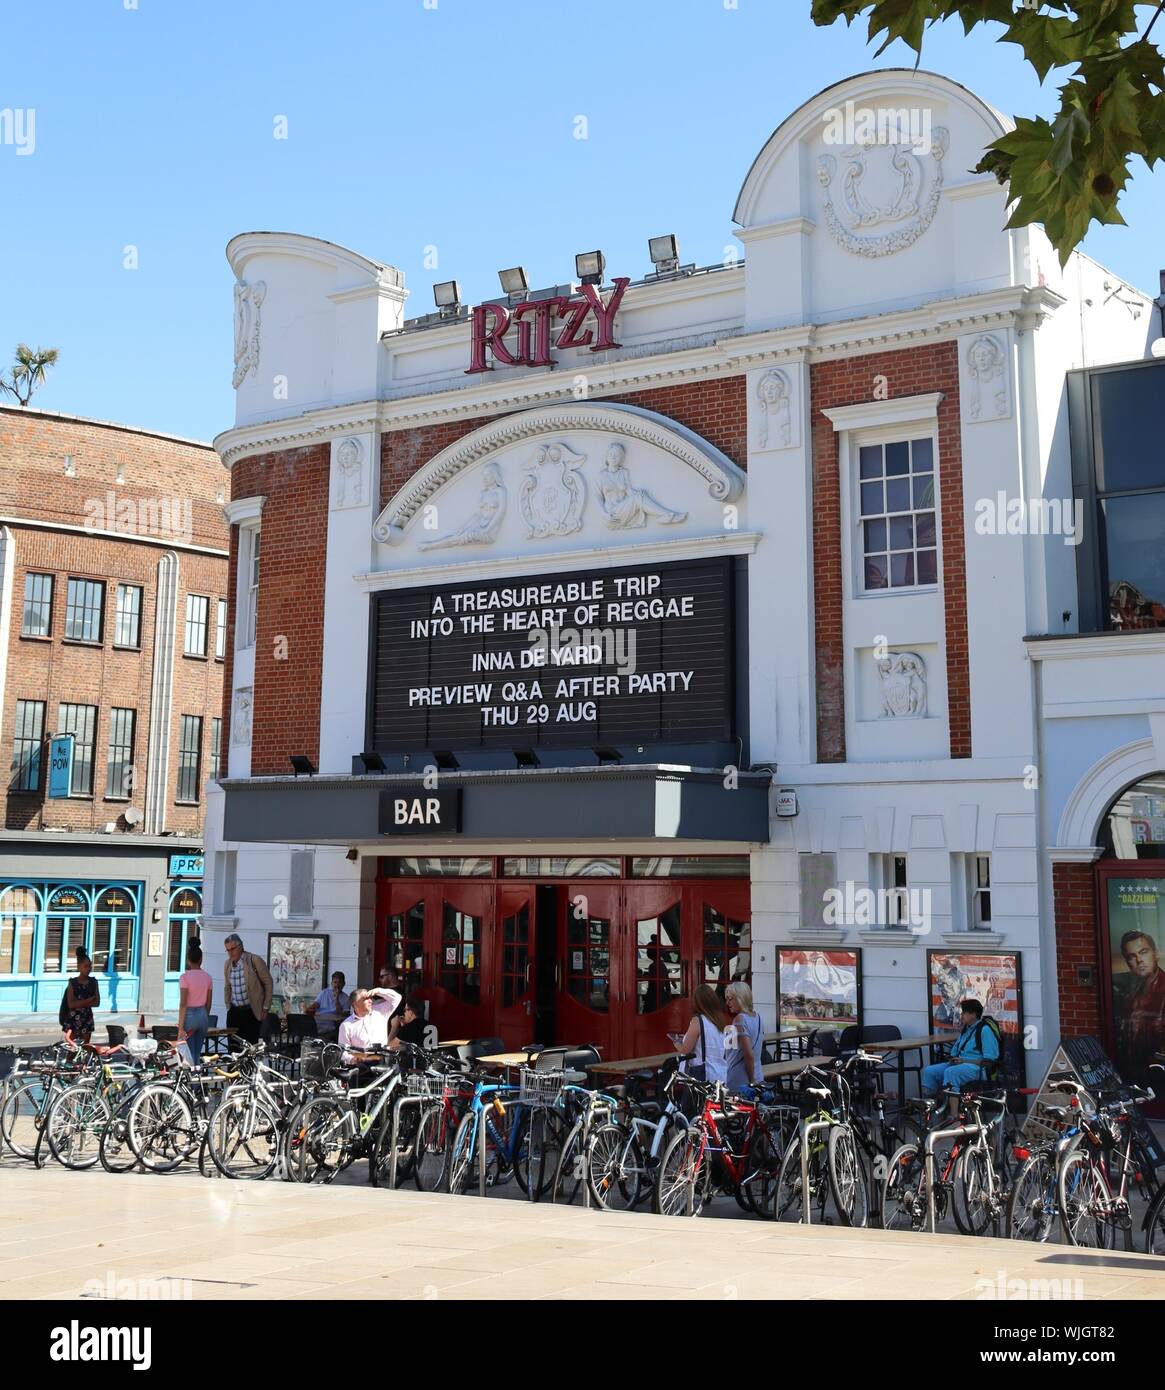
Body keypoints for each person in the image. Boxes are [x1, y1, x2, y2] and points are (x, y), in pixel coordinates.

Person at [921, 998, 999, 1122]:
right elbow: (956, 1050)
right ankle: (930, 1109)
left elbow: (989, 1061)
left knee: (951, 1073)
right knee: (929, 1071)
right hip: (960, 1064)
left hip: (978, 1068)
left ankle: (954, 1115)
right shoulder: (966, 1029)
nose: (961, 1015)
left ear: (973, 1014)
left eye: (964, 1013)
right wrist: (953, 1058)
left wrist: (964, 1061)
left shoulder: (985, 1030)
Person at [1116, 931, 1165, 1084]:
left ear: (1155, 954)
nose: (1139, 960)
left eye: (1143, 952)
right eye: (1131, 956)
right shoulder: (1130, 992)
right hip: (1132, 1076)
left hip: (1158, 1077)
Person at [221, 933, 273, 1044]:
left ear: (241, 946)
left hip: (251, 1011)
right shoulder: (227, 964)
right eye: (228, 950)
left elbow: (268, 982)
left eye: (233, 949)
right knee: (233, 1049)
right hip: (234, 1012)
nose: (231, 952)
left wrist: (266, 1007)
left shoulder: (254, 960)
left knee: (249, 1048)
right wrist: (228, 1006)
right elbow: (227, 986)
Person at [673, 984, 730, 1083]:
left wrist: (676, 1041)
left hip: (703, 1076)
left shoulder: (698, 1021)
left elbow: (685, 1050)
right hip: (721, 1074)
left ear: (697, 1003)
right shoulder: (719, 1020)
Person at [177, 939, 214, 1064]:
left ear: (188, 959)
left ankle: (192, 1082)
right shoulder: (208, 978)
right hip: (202, 1015)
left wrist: (180, 1026)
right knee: (197, 1052)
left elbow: (183, 1003)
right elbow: (209, 1003)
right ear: (201, 959)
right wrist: (205, 1015)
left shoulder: (184, 978)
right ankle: (197, 1081)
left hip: (189, 1016)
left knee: (189, 1053)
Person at [724, 981, 764, 1093]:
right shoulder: (758, 1017)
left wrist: (751, 1082)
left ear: (740, 998)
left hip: (740, 1079)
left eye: (730, 998)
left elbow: (748, 1054)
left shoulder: (739, 1019)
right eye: (726, 998)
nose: (727, 1003)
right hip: (758, 1074)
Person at [337, 987, 395, 1064]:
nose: (370, 1001)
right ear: (355, 1003)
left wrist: (378, 991)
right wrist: (354, 1060)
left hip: (384, 1062)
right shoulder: (346, 1025)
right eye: (366, 998)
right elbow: (343, 1052)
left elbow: (397, 998)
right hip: (362, 1067)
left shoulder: (380, 1011)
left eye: (370, 998)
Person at [64, 954, 100, 1043]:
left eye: (90, 966)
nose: (89, 968)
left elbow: (97, 1002)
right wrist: (89, 1000)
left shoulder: (93, 982)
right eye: (86, 966)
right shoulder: (73, 983)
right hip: (73, 1018)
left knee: (85, 1047)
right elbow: (71, 1004)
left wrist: (78, 1003)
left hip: (87, 1018)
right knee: (72, 1049)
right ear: (79, 967)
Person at [305, 971, 350, 1040]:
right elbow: (315, 1005)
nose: (337, 985)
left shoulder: (346, 998)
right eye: (335, 982)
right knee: (301, 1027)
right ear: (331, 983)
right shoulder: (324, 992)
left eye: (339, 982)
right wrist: (308, 1009)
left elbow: (344, 1015)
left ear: (344, 984)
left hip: (331, 1024)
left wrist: (337, 999)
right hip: (318, 1021)